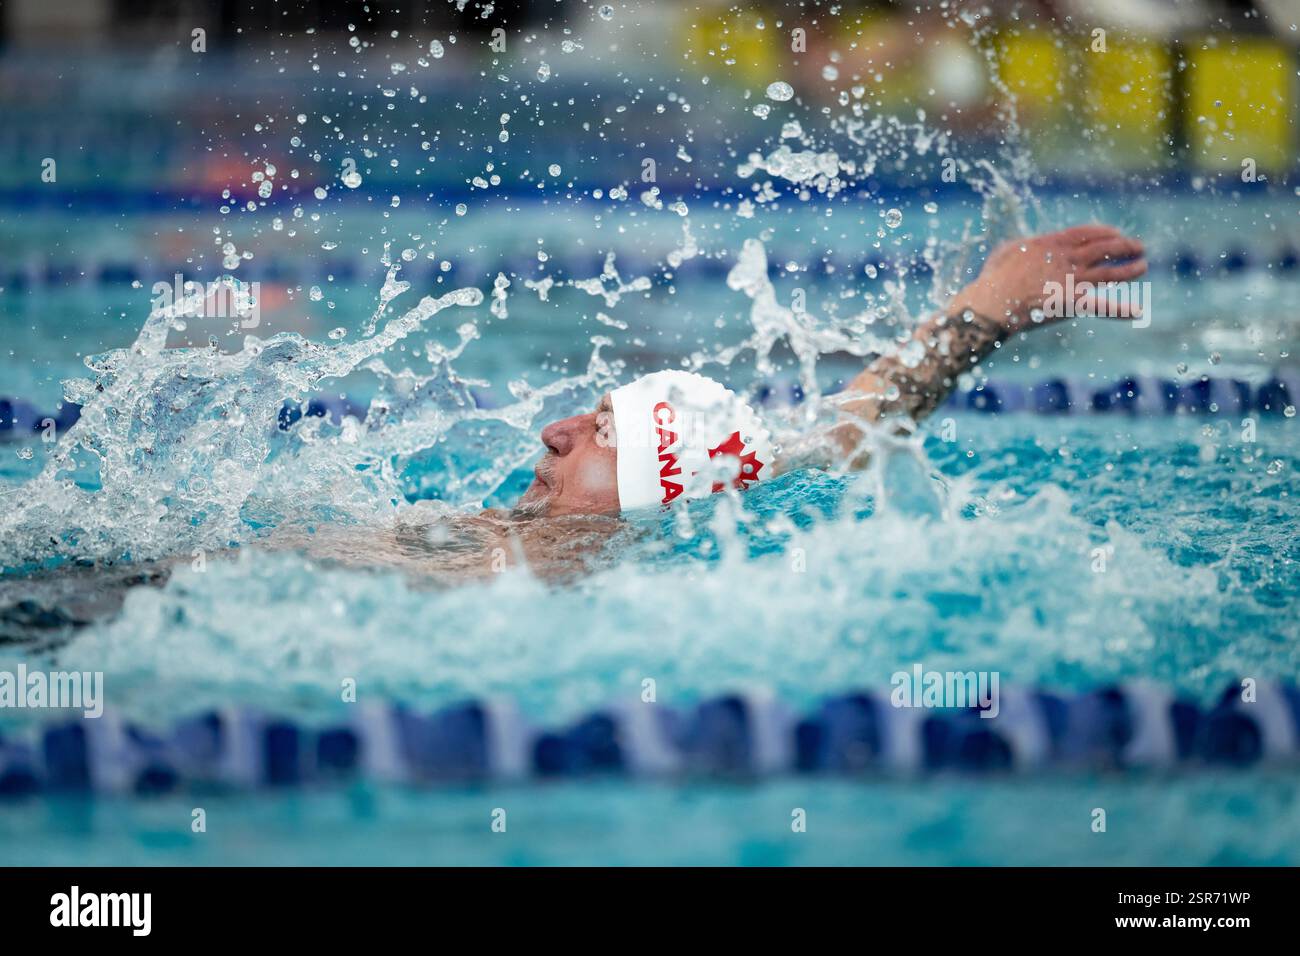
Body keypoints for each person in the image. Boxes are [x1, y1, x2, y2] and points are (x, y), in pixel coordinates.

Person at [273, 223, 1146, 583]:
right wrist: (981, 311)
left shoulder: (533, 575)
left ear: (663, 483)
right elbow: (846, 428)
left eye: (600, 431)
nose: (555, 429)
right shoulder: (524, 546)